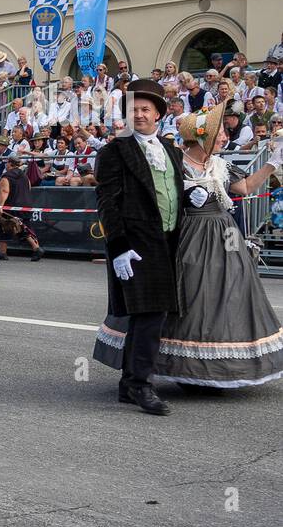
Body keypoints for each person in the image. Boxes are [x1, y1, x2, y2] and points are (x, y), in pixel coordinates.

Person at [95, 102, 283, 389]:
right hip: (188, 237)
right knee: (189, 299)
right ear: (203, 137)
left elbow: (245, 188)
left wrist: (273, 163)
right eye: (218, 133)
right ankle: (171, 367)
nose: (224, 137)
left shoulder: (221, 165)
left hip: (223, 238)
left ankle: (215, 366)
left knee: (227, 298)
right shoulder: (174, 160)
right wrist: (187, 194)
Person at [93, 79, 184, 416]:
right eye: (133, 109)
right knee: (150, 314)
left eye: (145, 108)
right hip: (135, 243)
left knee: (148, 314)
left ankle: (130, 383)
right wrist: (118, 247)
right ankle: (139, 384)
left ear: (159, 113)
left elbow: (172, 192)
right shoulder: (115, 150)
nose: (139, 114)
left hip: (168, 241)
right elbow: (107, 202)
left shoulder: (171, 150)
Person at [0, 155, 45, 260]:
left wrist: (0, 207)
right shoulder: (25, 176)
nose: (6, 164)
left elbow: (4, 191)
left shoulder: (6, 176)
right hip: (25, 206)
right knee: (24, 228)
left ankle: (3, 253)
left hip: (11, 206)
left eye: (7, 162)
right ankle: (36, 248)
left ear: (10, 164)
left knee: (4, 227)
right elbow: (29, 188)